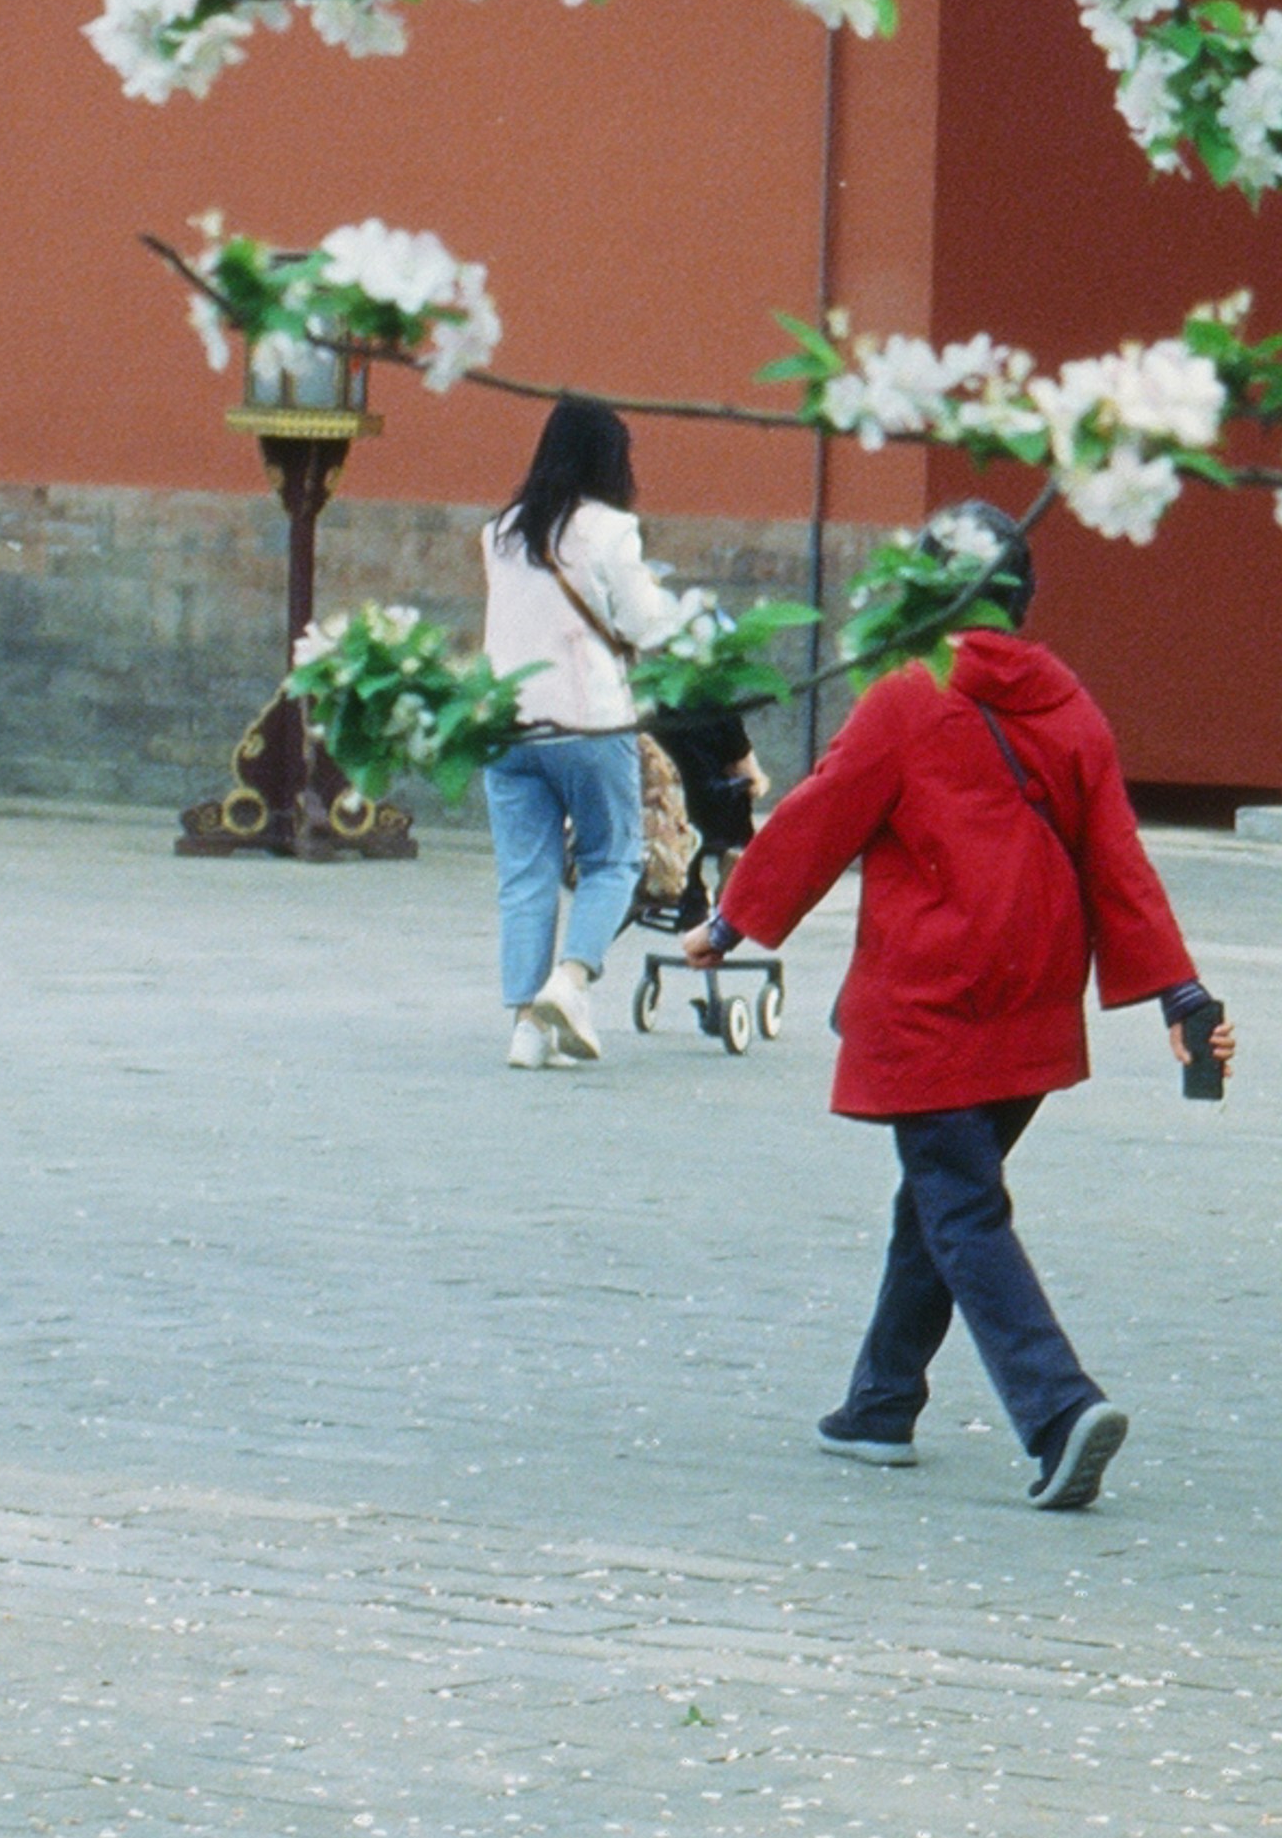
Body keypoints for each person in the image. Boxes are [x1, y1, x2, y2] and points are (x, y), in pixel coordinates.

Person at [712, 521, 1234, 1511]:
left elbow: (824, 812)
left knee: (959, 1206)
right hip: (1033, 1008)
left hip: (931, 1000)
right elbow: (1117, 861)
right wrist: (1178, 992)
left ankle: (1056, 1408)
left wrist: (731, 923)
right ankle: (878, 1405)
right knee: (944, 1196)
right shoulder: (1069, 704)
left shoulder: (909, 693)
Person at [481, 395, 696, 1070]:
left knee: (526, 877)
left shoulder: (501, 531)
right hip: (589, 719)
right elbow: (644, 625)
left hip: (508, 726)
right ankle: (570, 982)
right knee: (615, 859)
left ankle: (525, 1028)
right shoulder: (610, 530)